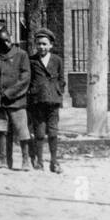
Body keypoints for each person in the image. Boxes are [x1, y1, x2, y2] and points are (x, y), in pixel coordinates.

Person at [0, 24, 32, 172]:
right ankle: (4, 160)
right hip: (0, 100)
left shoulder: (21, 54)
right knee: (2, 130)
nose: (6, 43)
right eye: (2, 41)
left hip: (16, 99)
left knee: (22, 130)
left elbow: (25, 78)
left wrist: (10, 93)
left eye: (8, 40)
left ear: (11, 38)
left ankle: (26, 160)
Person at [27, 28, 66, 173]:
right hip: (37, 101)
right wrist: (33, 92)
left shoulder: (57, 60)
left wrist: (57, 90)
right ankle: (39, 161)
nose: (41, 47)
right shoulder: (32, 60)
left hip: (53, 101)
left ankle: (54, 162)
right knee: (39, 133)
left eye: (44, 44)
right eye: (39, 44)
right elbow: (29, 79)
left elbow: (62, 79)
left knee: (53, 132)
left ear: (50, 45)